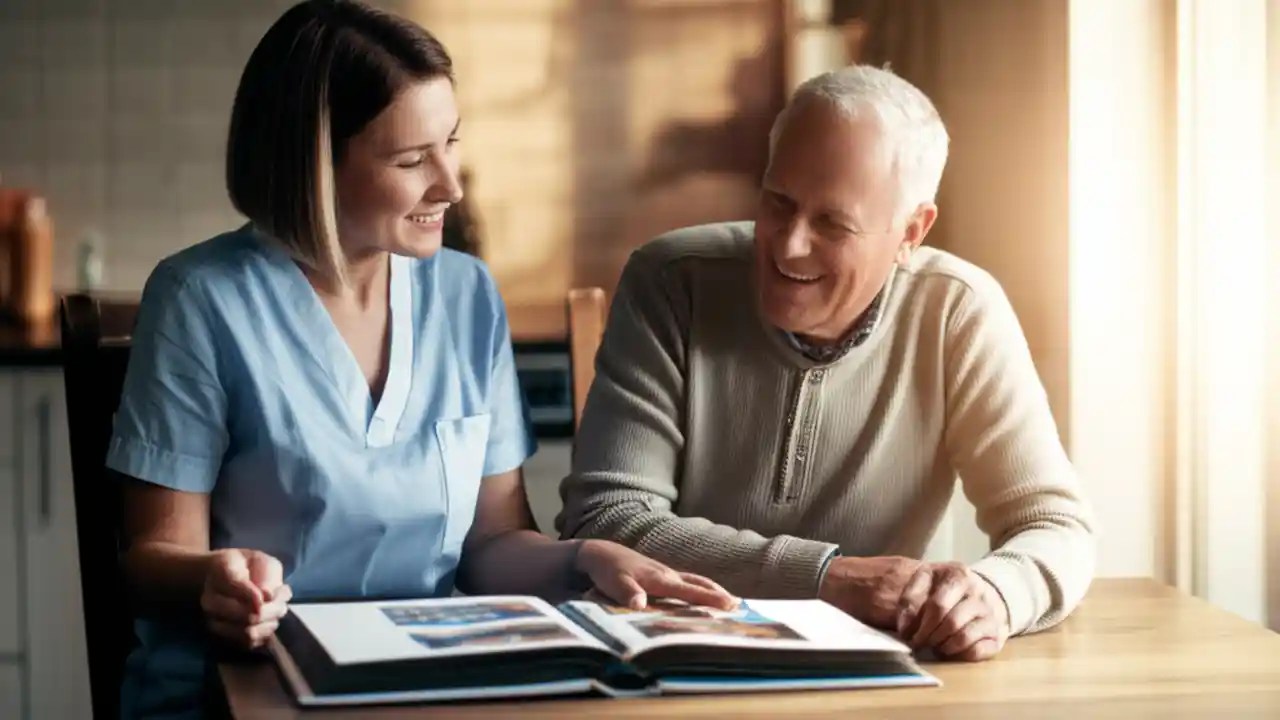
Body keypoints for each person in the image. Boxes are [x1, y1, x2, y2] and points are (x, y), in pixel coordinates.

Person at [107, 3, 733, 718]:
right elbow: (151, 561)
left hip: (419, 688)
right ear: (313, 165)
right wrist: (211, 580)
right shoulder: (201, 300)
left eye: (451, 144)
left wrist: (580, 558)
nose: (451, 185)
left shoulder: (465, 295)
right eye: (411, 161)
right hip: (237, 692)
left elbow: (491, 543)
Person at [557, 64, 1096, 662]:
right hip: (686, 659)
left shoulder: (957, 310)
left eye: (832, 224)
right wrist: (829, 579)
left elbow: (1055, 525)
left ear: (912, 230)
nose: (788, 245)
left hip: (888, 672)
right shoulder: (672, 281)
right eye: (778, 203)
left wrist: (996, 594)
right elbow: (605, 521)